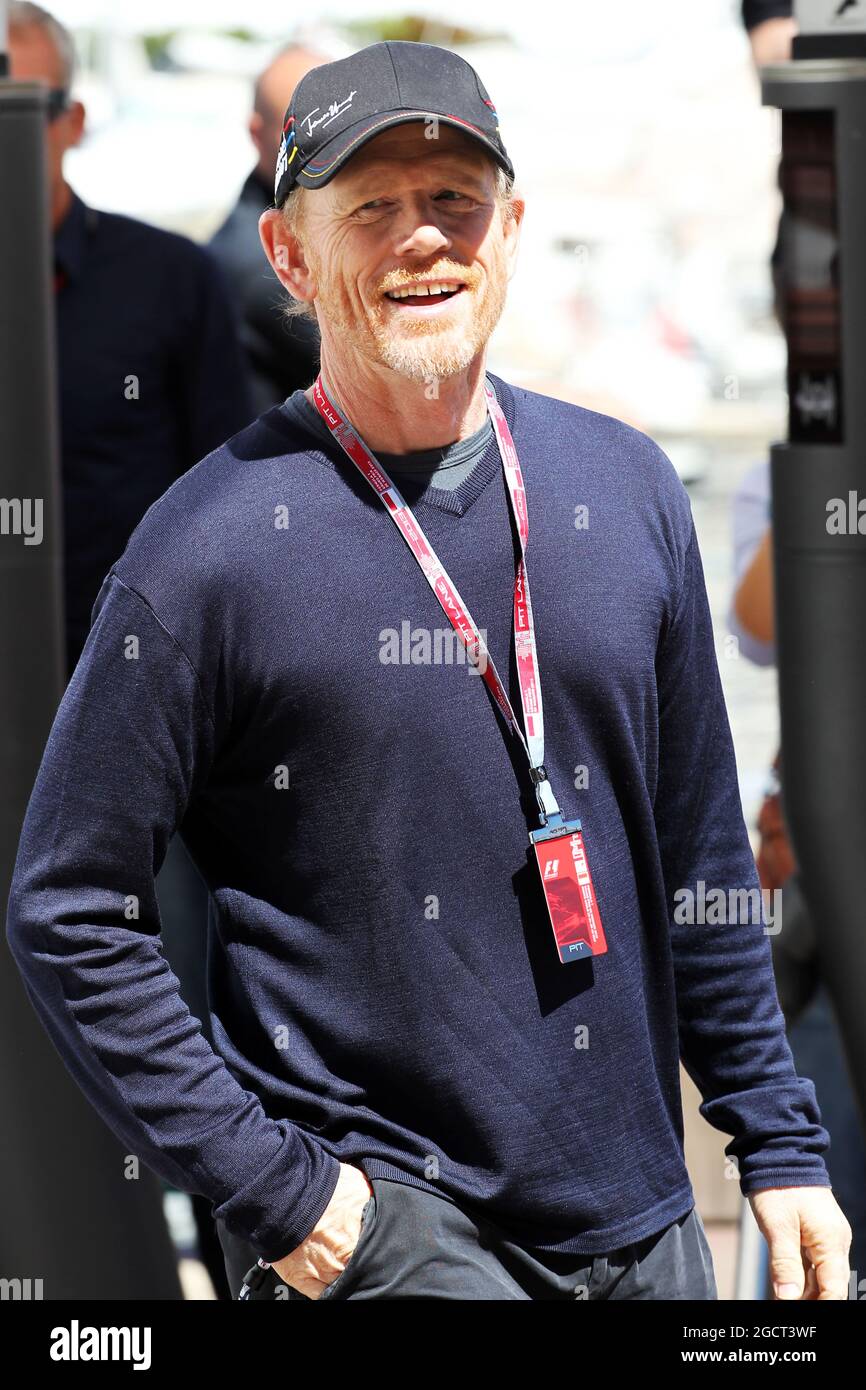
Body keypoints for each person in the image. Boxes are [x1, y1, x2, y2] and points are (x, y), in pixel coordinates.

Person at [5, 40, 851, 1302]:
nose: (423, 240)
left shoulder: (625, 491)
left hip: (642, 1220)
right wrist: (275, 1189)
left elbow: (698, 859)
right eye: (372, 208)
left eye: (454, 201)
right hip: (384, 1228)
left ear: (510, 229)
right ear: (290, 258)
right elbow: (69, 904)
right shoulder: (207, 548)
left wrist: (777, 1143)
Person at [8, 1, 255, 1300]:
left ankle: (195, 1272)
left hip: (143, 742)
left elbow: (226, 486)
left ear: (74, 120)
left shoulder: (166, 282)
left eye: (26, 108)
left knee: (167, 1010)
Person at [209, 42, 324, 413]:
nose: (326, 152)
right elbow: (391, 372)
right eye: (304, 136)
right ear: (257, 134)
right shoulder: (254, 262)